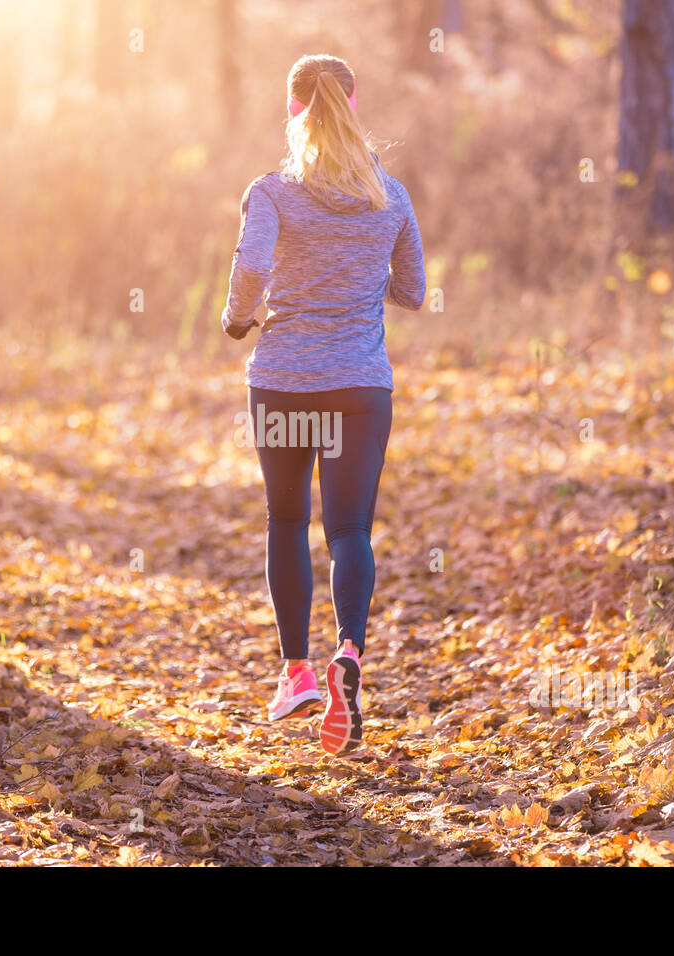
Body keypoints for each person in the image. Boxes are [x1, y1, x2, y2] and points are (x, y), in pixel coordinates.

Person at [220, 54, 425, 755]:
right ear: (352, 105)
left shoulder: (272, 191)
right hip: (360, 387)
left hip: (284, 380)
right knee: (349, 532)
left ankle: (298, 674)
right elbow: (415, 288)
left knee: (286, 519)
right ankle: (351, 653)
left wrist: (237, 316)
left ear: (291, 109)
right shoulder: (389, 195)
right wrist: (363, 288)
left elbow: (251, 266)